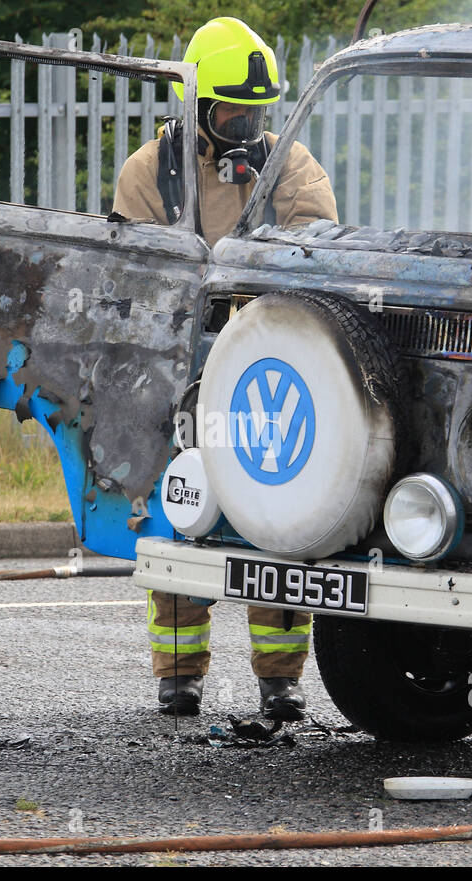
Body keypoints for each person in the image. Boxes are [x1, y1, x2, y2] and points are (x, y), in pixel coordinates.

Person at [113, 17, 338, 720]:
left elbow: (316, 246)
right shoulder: (150, 172)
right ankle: (177, 674)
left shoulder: (289, 164)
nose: (247, 123)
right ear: (198, 108)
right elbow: (140, 272)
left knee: (276, 519)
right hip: (176, 371)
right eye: (233, 109)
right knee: (181, 515)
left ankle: (280, 678)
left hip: (268, 367)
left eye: (256, 109)